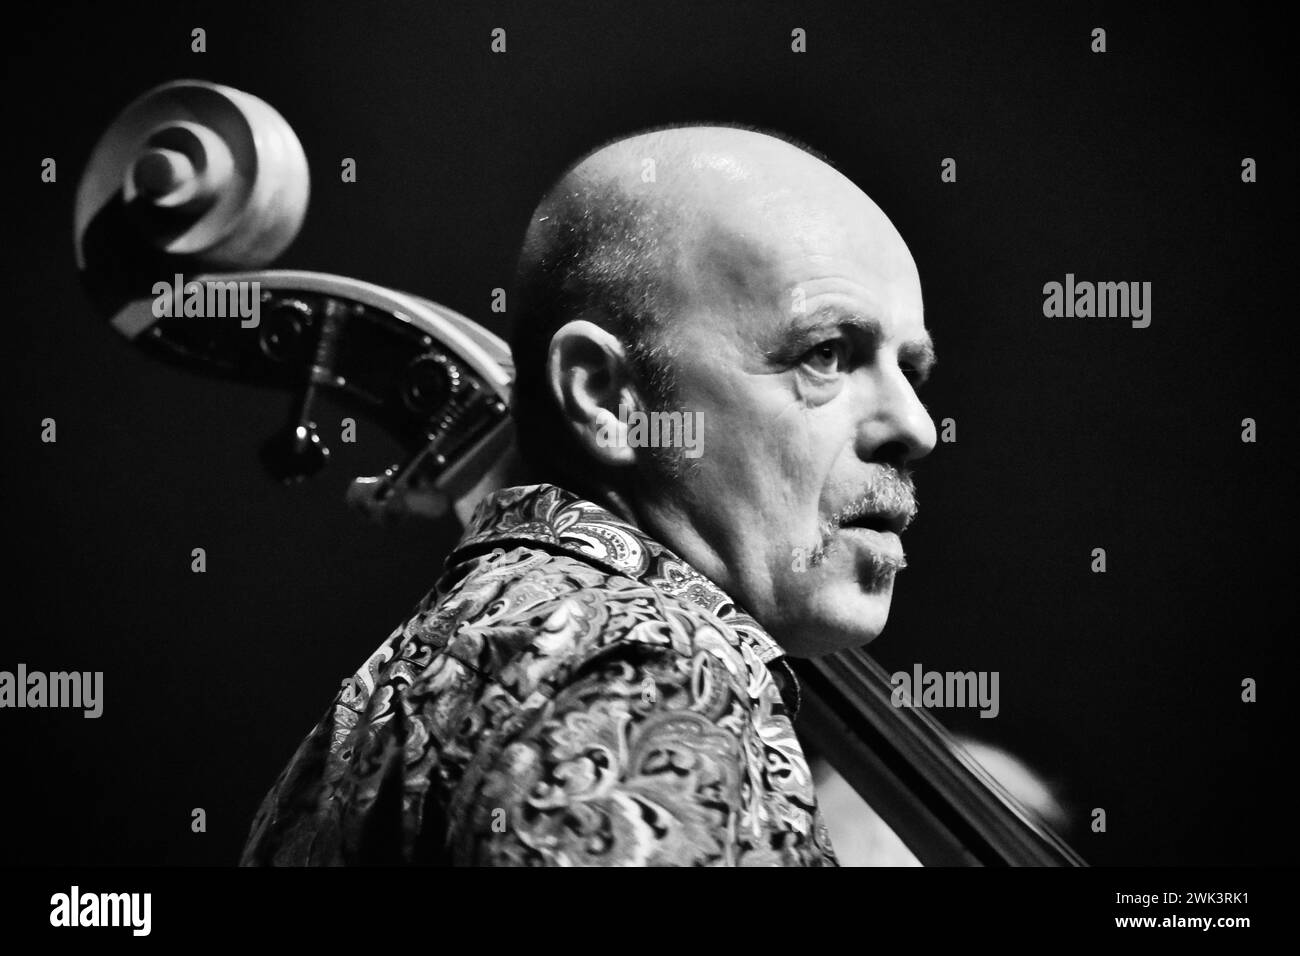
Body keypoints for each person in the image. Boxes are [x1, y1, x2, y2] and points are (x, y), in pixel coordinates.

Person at [239, 124, 938, 866]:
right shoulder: (646, 672)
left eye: (912, 371)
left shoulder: (458, 660)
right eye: (825, 354)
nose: (916, 427)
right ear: (607, 396)